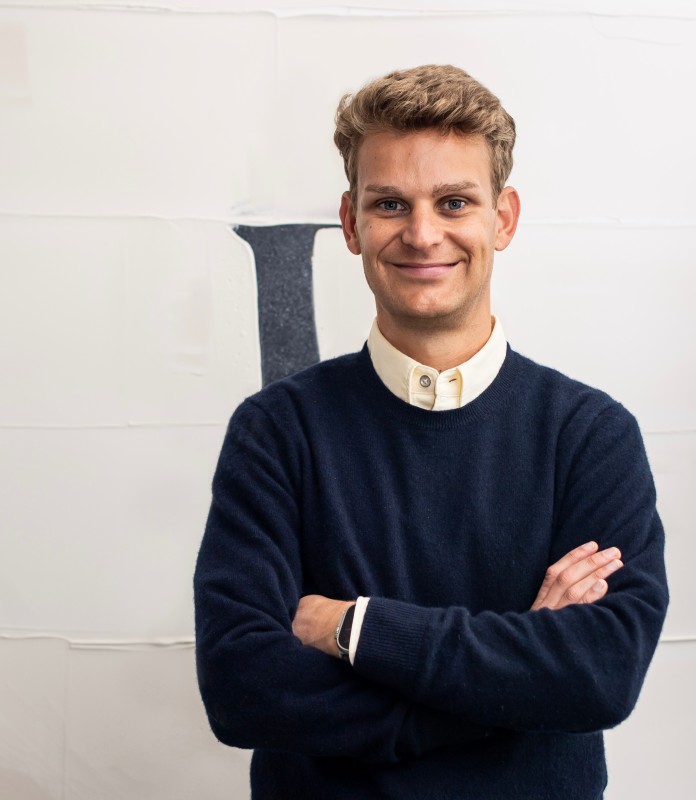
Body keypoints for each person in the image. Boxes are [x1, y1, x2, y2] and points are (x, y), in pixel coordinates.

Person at [194, 64, 668, 799]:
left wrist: (355, 629)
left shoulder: (590, 435)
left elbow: (598, 676)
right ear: (351, 223)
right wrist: (512, 688)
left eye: (454, 202)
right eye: (390, 204)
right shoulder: (277, 432)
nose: (422, 234)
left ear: (502, 219)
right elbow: (243, 689)